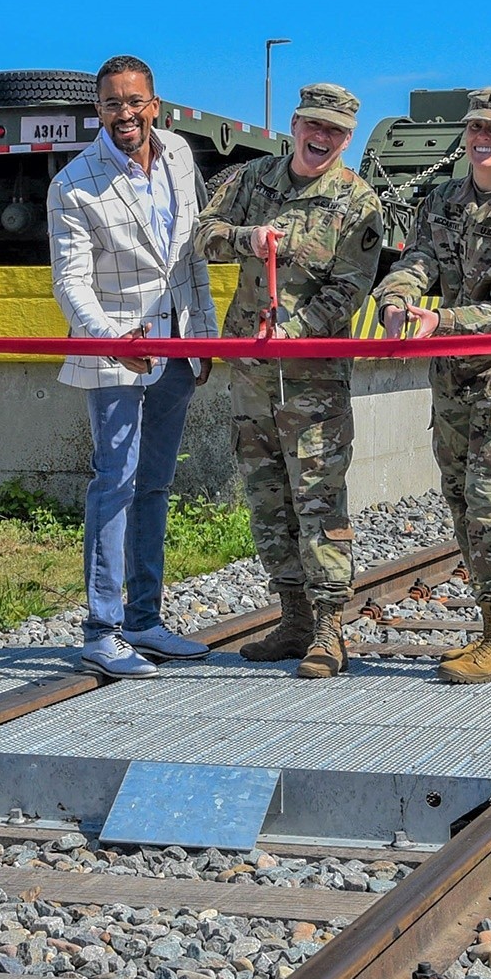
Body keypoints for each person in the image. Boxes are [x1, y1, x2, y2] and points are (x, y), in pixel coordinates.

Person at [370, 87, 491, 684]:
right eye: (477, 127)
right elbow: (422, 256)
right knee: (460, 499)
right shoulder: (444, 200)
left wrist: (442, 320)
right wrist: (398, 291)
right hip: (455, 377)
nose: (485, 138)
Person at [195, 83, 383, 679]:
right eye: (312, 126)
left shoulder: (359, 204)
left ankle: (329, 628)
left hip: (312, 379)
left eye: (333, 131)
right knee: (266, 495)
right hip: (251, 373)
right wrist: (243, 237)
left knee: (318, 497)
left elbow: (350, 289)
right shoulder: (252, 181)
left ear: (347, 138)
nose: (320, 138)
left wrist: (295, 329)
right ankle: (293, 617)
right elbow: (202, 235)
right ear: (295, 125)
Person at [48, 55, 219, 679]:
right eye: (112, 103)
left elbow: (192, 253)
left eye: (135, 101)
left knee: (155, 482)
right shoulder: (73, 183)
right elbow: (70, 282)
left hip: (176, 345)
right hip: (115, 350)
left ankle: (144, 619)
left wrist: (202, 334)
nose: (126, 114)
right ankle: (101, 628)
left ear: (154, 103)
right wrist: (110, 337)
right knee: (114, 480)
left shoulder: (177, 153)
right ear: (98, 110)